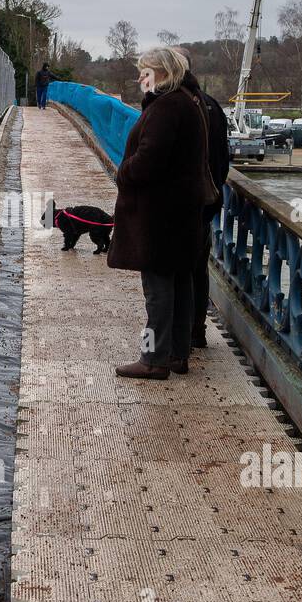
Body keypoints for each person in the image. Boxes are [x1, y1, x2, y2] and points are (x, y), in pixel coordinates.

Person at [108, 46, 211, 380]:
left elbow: (149, 160)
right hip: (182, 213)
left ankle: (153, 358)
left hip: (159, 217)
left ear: (163, 73)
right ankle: (178, 354)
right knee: (181, 284)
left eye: (146, 72)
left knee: (157, 291)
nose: (141, 78)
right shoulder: (188, 102)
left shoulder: (165, 108)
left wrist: (123, 172)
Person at [180, 65, 229, 348]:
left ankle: (178, 341)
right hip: (207, 202)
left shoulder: (176, 106)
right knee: (199, 267)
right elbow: (224, 156)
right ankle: (197, 330)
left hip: (184, 204)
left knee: (176, 271)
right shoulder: (212, 105)